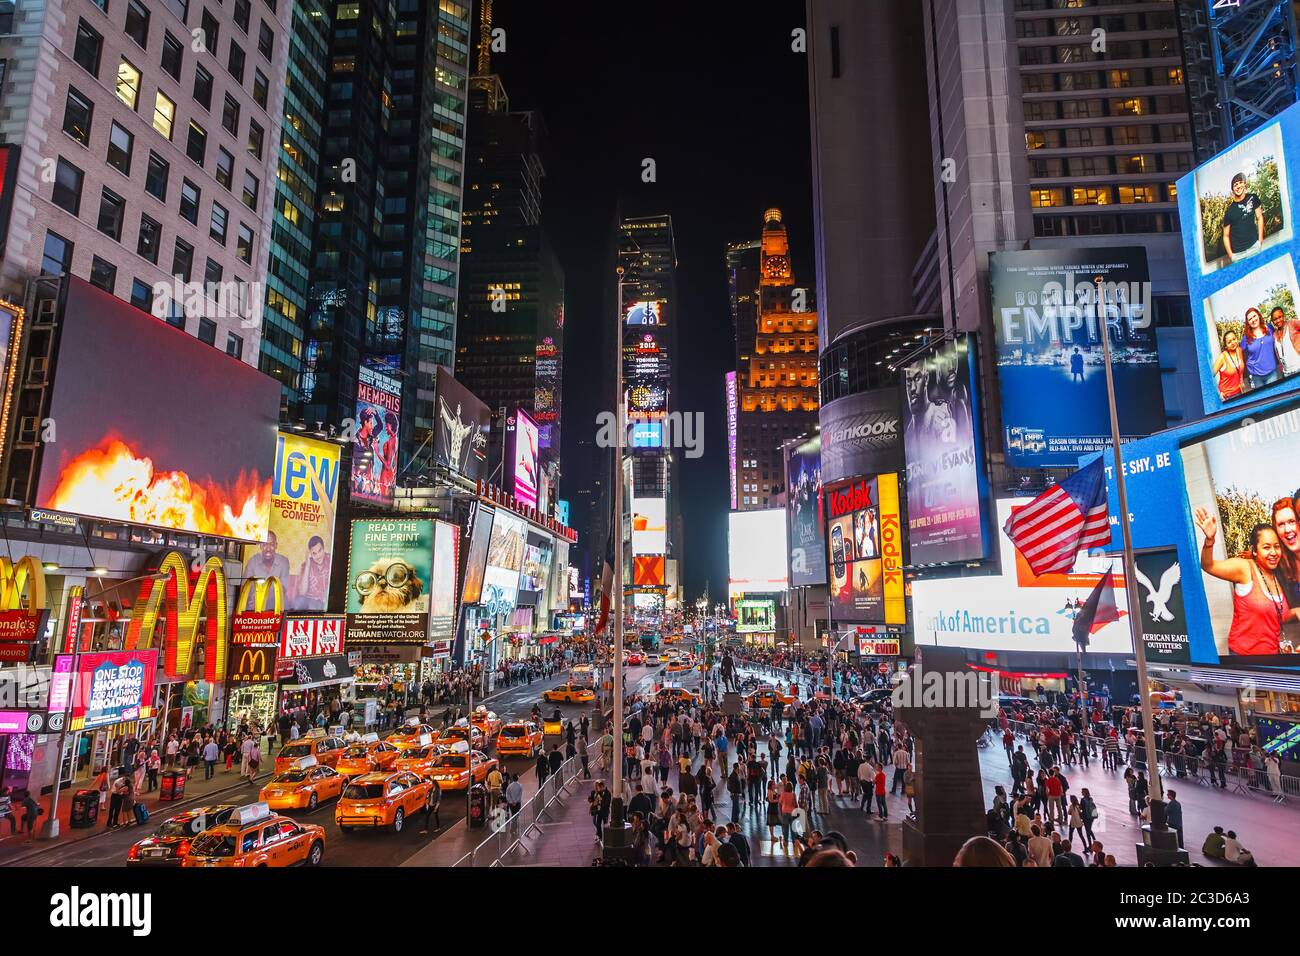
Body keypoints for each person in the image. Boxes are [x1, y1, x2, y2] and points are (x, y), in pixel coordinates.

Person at [1194, 509, 1300, 655]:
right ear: (1255, 551)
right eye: (1266, 547)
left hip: (1272, 657)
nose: (1274, 553)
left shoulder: (1277, 577)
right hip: (1244, 658)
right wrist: (1210, 541)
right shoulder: (1245, 568)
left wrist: (1295, 612)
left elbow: (1274, 613)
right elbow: (1208, 565)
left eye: (1277, 547)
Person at [1221, 171, 1266, 263]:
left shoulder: (1252, 198)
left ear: (1244, 183)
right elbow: (1225, 236)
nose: (1238, 186)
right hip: (1238, 255)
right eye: (1235, 185)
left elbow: (1260, 217)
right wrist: (1231, 256)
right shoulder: (1230, 211)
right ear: (1233, 189)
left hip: (1254, 247)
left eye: (1240, 183)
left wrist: (1260, 240)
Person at [1242, 307, 1281, 390]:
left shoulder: (1269, 328)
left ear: (1258, 316)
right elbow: (1240, 355)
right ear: (1248, 322)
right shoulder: (1245, 338)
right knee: (1263, 400)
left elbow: (1279, 338)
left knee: (1274, 397)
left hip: (1271, 373)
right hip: (1255, 376)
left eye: (1254, 316)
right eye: (1250, 319)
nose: (1253, 320)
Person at [1213, 329, 1246, 401]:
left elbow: (1240, 369)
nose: (1233, 343)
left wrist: (1241, 381)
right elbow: (1208, 377)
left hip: (1239, 392)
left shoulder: (1239, 350)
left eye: (1234, 339)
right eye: (1229, 342)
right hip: (1227, 397)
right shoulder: (1222, 357)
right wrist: (1218, 393)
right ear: (1225, 346)